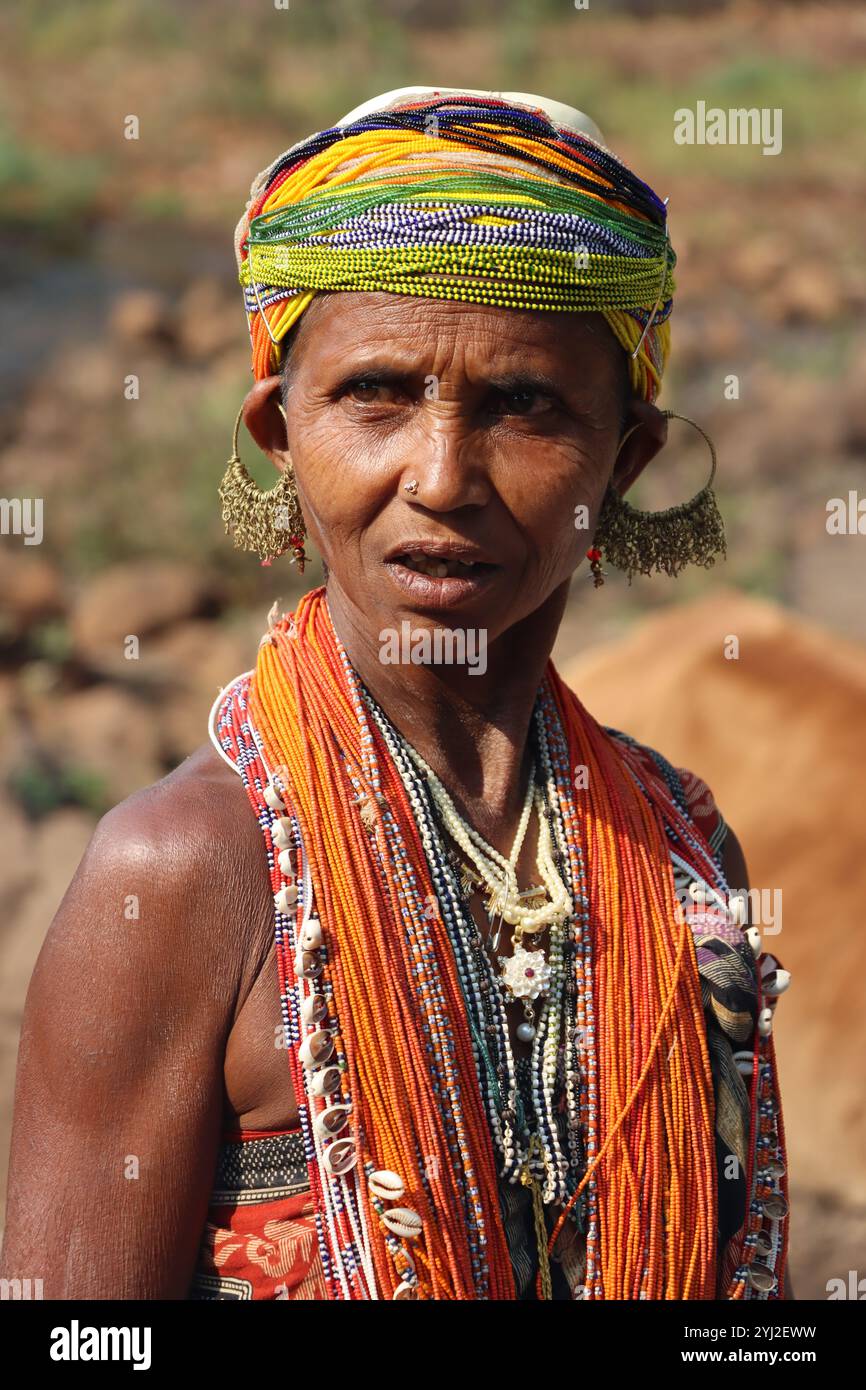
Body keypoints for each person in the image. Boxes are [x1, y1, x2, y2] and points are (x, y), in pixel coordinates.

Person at [0, 88, 791, 1301]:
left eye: (524, 405)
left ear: (622, 459)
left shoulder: (676, 847)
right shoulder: (185, 870)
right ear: (280, 431)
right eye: (374, 393)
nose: (440, 477)